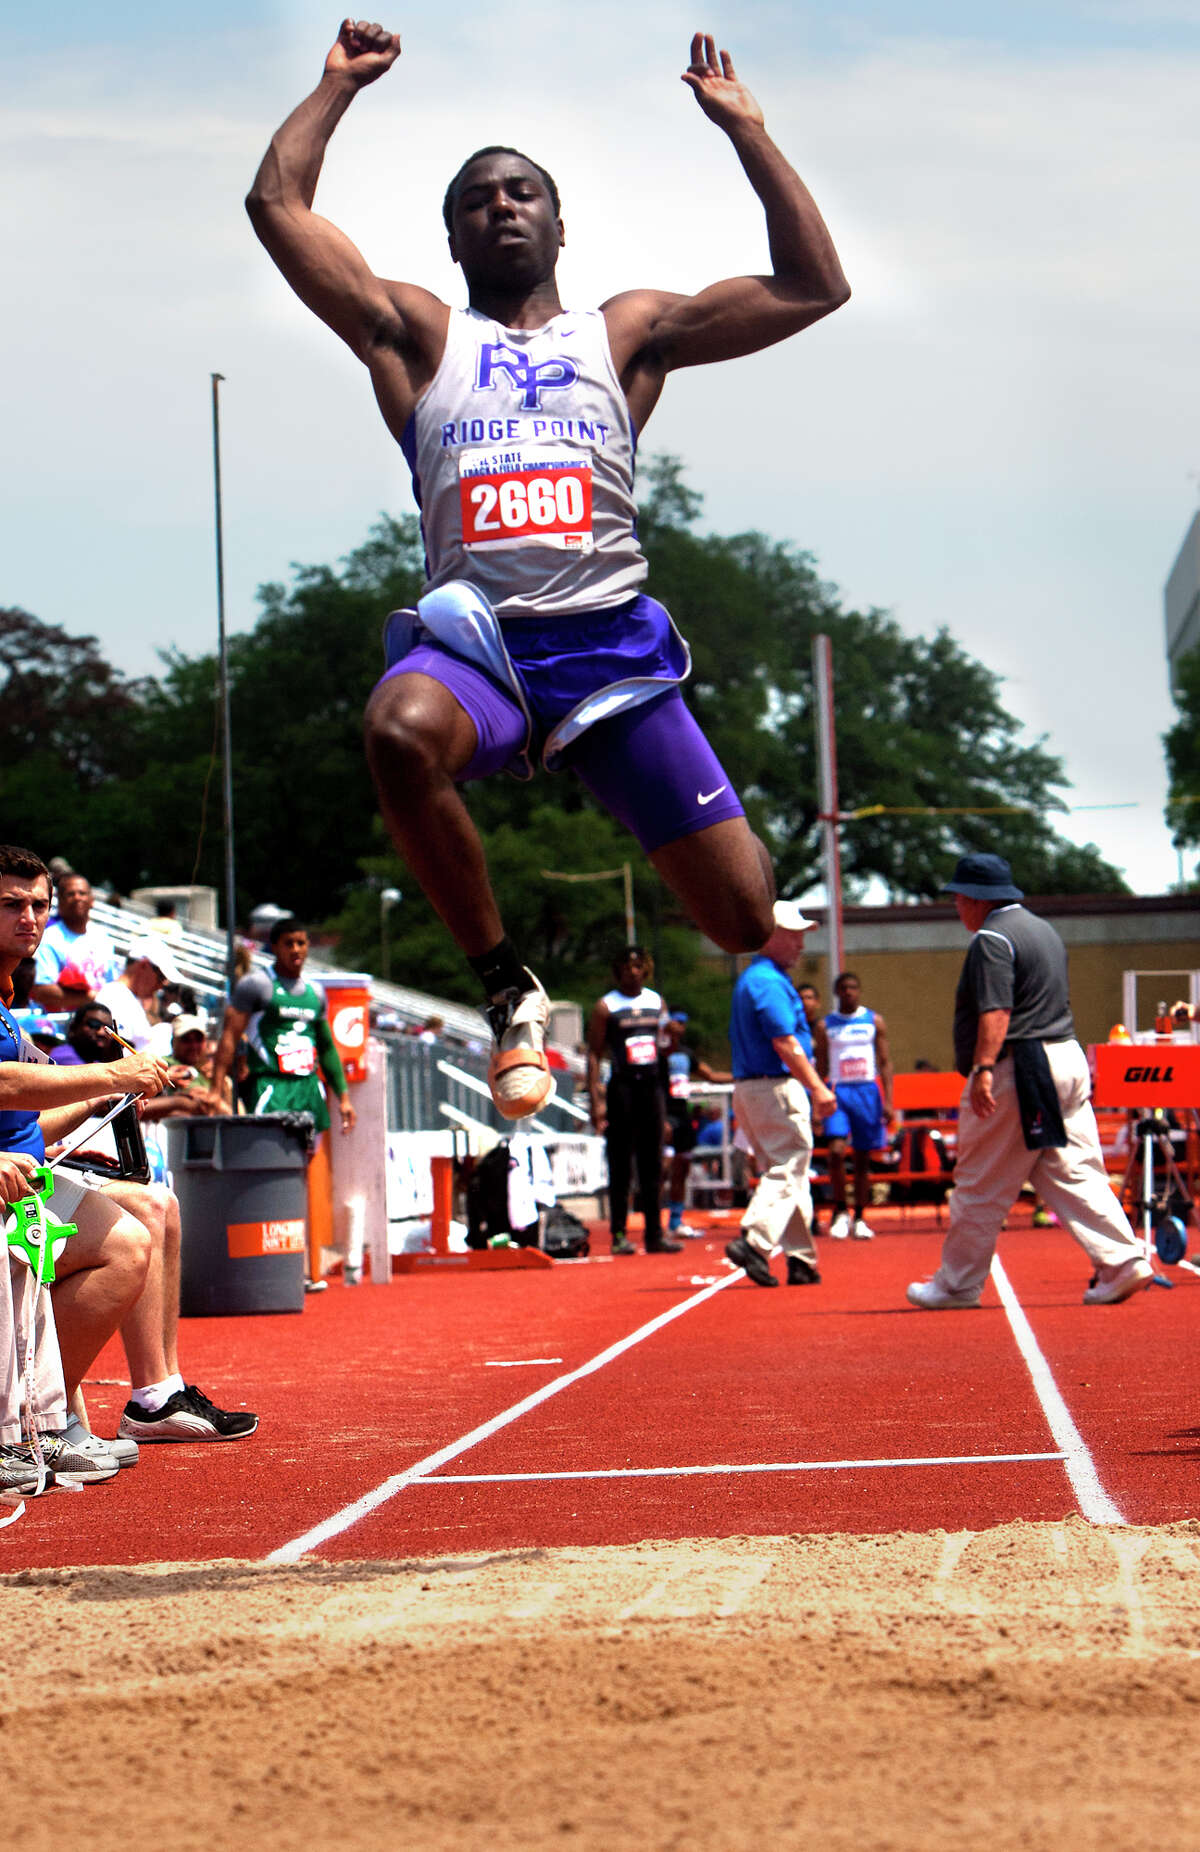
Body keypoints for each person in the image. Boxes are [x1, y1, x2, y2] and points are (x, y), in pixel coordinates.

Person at [246, 21, 850, 1122]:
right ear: (454, 237)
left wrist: (749, 135)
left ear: (560, 223)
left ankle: (702, 806)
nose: (503, 205)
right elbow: (276, 212)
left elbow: (816, 285)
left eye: (522, 190)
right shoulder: (419, 337)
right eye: (478, 198)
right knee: (395, 728)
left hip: (609, 652)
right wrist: (335, 88)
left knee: (743, 918)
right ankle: (504, 983)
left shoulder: (624, 336)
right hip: (480, 651)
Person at [907, 854, 1151, 1310]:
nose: (957, 905)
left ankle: (956, 1285)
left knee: (979, 1181)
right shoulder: (1044, 931)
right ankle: (1121, 1260)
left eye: (959, 896)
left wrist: (981, 1069)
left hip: (1023, 1066)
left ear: (978, 898)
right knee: (1074, 1170)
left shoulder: (992, 939)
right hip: (1067, 1057)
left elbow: (997, 1010)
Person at [725, 902, 836, 1287]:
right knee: (789, 1169)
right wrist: (818, 1088)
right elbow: (785, 1043)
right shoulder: (769, 982)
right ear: (769, 935)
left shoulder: (755, 978)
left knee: (785, 1173)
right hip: (774, 1087)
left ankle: (801, 1260)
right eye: (794, 934)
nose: (801, 943)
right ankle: (754, 1241)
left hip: (751, 1088)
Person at [206, 917, 356, 1136]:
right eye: (288, 944)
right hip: (271, 1086)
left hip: (308, 1087)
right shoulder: (257, 985)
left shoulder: (316, 992)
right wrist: (216, 1090)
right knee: (269, 1155)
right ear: (275, 947)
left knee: (307, 1162)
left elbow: (326, 1048)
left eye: (301, 943)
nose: (296, 950)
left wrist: (344, 1098)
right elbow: (229, 1036)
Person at [587, 946, 681, 1256]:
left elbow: (664, 1046)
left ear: (646, 969)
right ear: (617, 971)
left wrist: (673, 1038)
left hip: (651, 1086)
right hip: (622, 1088)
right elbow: (594, 1053)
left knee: (652, 1162)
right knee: (621, 1163)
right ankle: (618, 1234)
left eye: (638, 966)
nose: (633, 972)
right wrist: (596, 1100)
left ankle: (655, 1234)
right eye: (627, 967)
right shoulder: (607, 1006)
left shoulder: (656, 1002)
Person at [821, 971, 894, 1242]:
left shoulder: (874, 1021)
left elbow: (885, 1063)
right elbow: (820, 1066)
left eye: (853, 987)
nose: (849, 992)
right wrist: (819, 1097)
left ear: (859, 991)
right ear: (837, 992)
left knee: (863, 1158)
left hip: (866, 1089)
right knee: (837, 1152)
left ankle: (861, 1217)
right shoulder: (825, 1025)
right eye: (844, 988)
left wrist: (888, 1101)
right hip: (839, 1091)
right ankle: (840, 1211)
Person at [661, 1012, 729, 1234]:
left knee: (682, 1168)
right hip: (662, 1115)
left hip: (682, 1115)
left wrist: (746, 1075)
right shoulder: (655, 1054)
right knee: (662, 1169)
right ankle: (653, 1220)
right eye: (676, 1022)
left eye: (683, 1023)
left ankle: (676, 1221)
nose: (680, 1027)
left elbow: (710, 1075)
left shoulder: (686, 1055)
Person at [31, 872, 119, 1012]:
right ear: (59, 901)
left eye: (82, 893)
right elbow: (42, 991)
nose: (77, 898)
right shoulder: (49, 938)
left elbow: (111, 984)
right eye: (70, 894)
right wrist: (92, 997)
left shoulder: (103, 938)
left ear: (92, 900)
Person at [94, 937, 186, 1052]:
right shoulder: (114, 997)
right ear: (144, 966)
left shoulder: (124, 997)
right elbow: (117, 1054)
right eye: (161, 977)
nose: (161, 986)